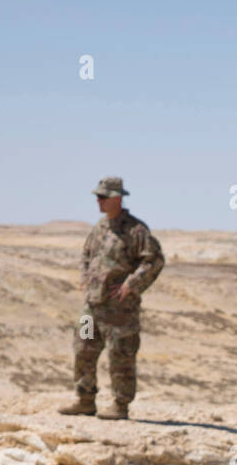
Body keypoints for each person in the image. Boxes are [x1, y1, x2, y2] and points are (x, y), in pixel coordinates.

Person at [61, 176, 164, 421]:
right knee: (83, 349)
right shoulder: (99, 228)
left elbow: (153, 260)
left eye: (103, 197)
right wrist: (85, 277)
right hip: (92, 307)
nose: (98, 202)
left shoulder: (135, 230)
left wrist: (131, 285)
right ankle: (85, 400)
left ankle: (120, 404)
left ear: (117, 198)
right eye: (97, 197)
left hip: (120, 310)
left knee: (121, 356)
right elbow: (86, 255)